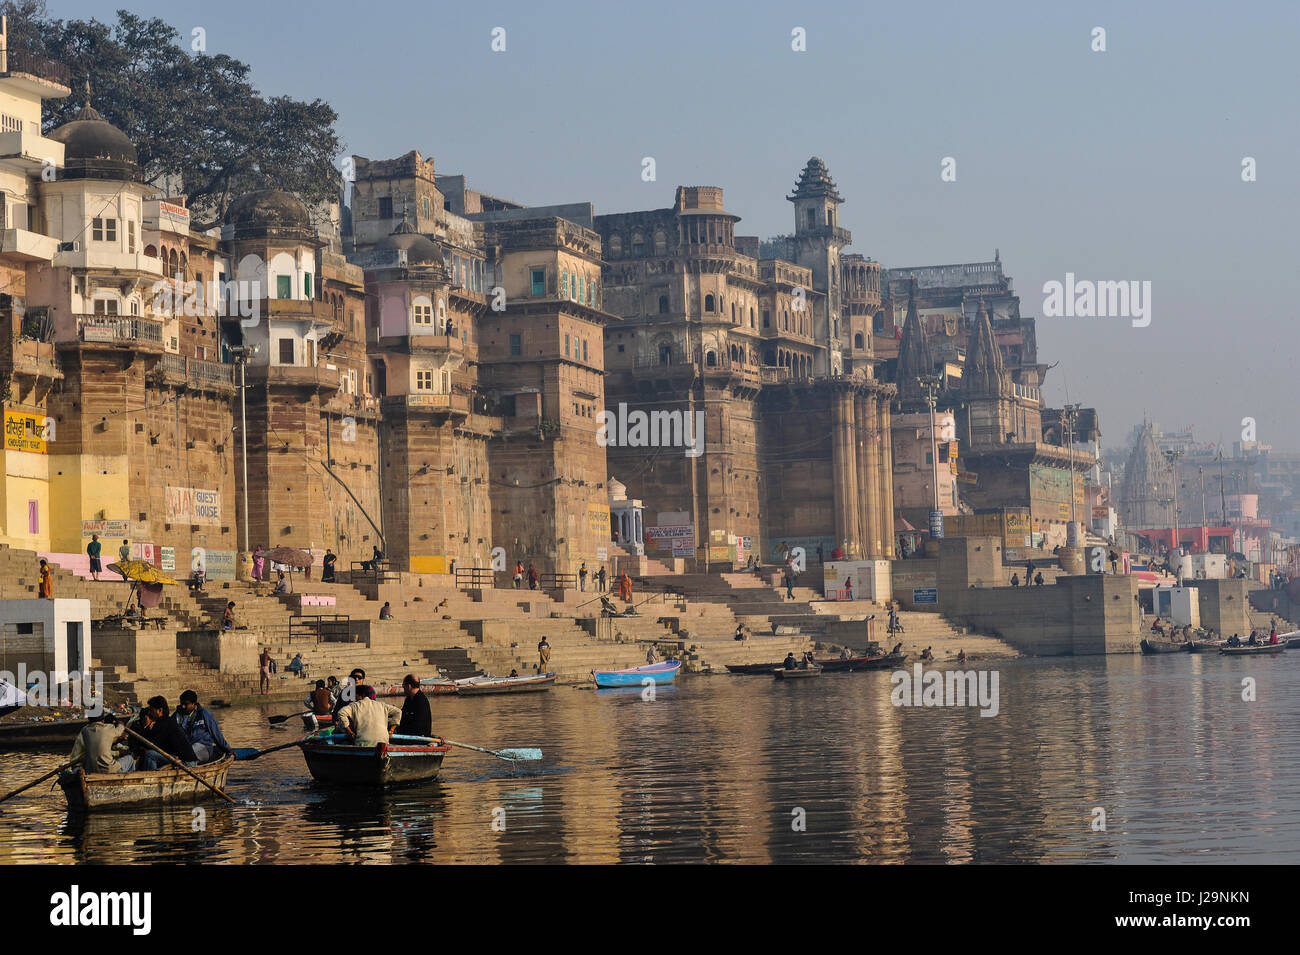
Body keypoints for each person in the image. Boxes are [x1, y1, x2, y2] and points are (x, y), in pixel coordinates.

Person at [131, 696, 198, 770]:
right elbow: (146, 737)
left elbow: (150, 743)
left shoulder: (165, 723)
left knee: (150, 755)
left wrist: (145, 726)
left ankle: (152, 779)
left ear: (159, 710)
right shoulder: (161, 722)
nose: (150, 713)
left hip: (186, 763)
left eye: (151, 710)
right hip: (175, 758)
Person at [173, 690, 234, 764]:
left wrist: (228, 749)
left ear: (194, 703)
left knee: (189, 754)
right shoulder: (177, 715)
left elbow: (216, 734)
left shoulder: (204, 714)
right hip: (184, 748)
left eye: (186, 704)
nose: (183, 706)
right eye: (182, 704)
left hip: (203, 747)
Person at [336, 685, 401, 746]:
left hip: (363, 742)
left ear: (358, 695)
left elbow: (341, 713)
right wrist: (391, 730)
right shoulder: (382, 705)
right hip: (384, 741)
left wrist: (349, 732)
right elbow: (398, 711)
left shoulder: (354, 705)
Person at [396, 674, 433, 738]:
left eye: (403, 685)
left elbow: (419, 725)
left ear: (409, 686)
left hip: (418, 737)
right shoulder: (409, 699)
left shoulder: (421, 700)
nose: (403, 688)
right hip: (409, 734)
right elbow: (403, 715)